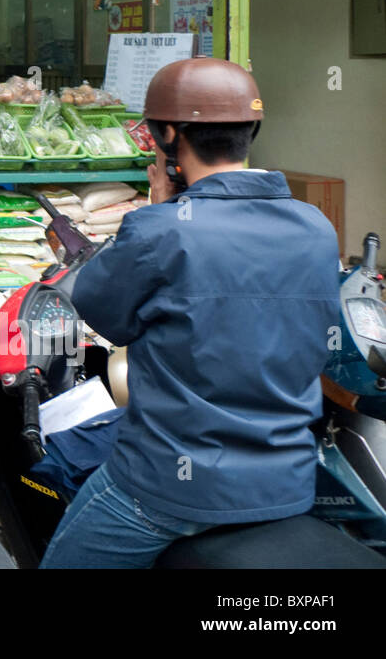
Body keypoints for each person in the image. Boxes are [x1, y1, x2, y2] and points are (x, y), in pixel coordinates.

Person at [39, 57, 340, 568]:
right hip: (288, 478)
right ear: (252, 130)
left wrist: (157, 209)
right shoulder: (316, 228)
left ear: (171, 135)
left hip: (168, 489)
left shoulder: (161, 231)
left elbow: (104, 312)